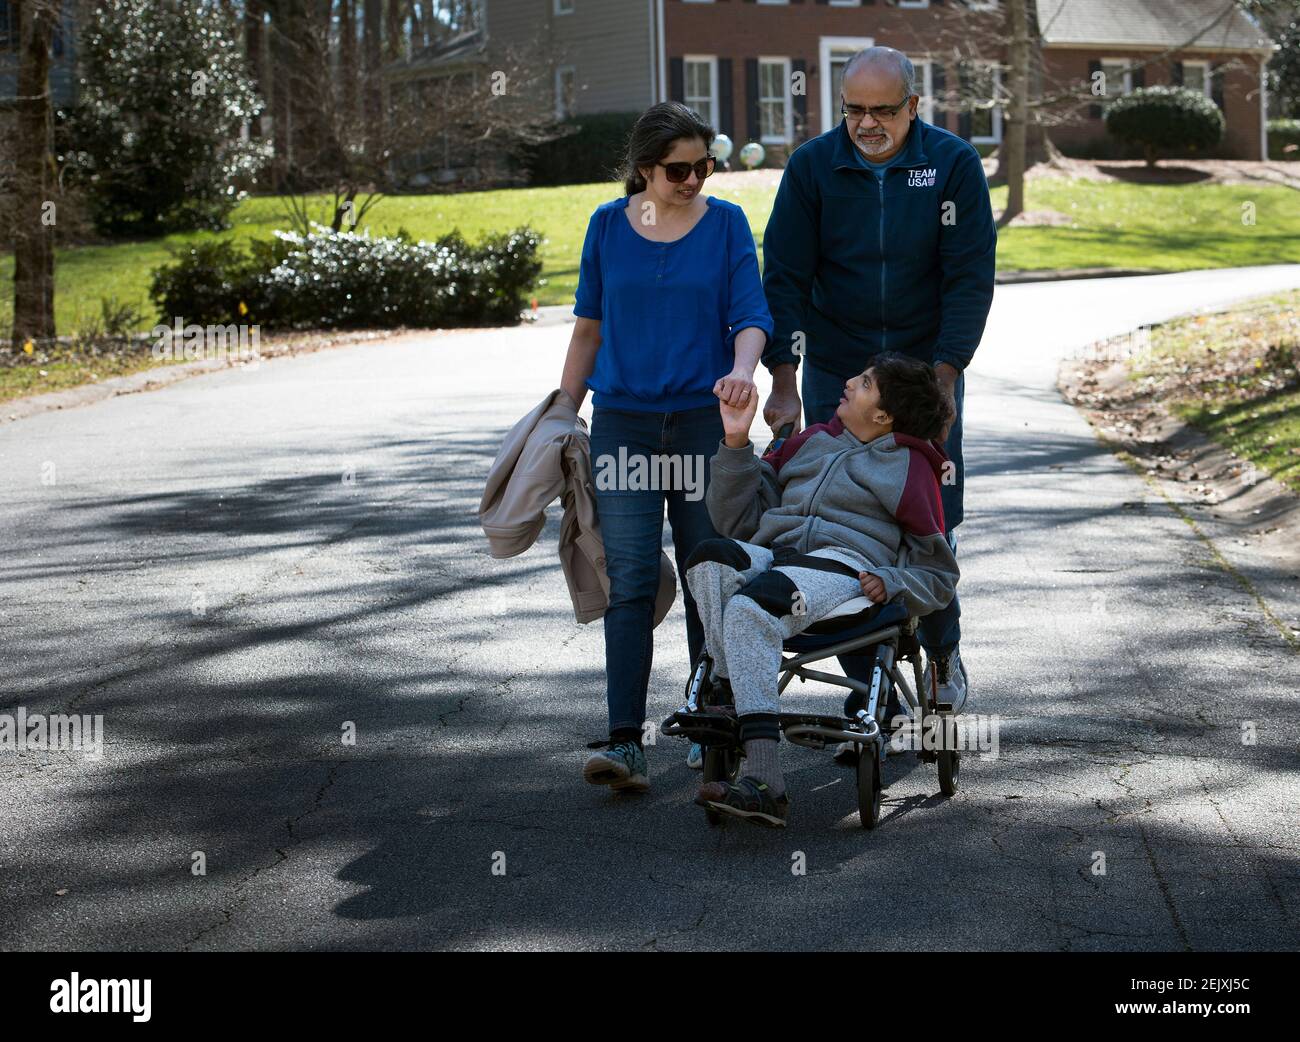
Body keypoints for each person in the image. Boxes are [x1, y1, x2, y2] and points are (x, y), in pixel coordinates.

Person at [760, 46, 995, 721]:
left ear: (913, 108)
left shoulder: (951, 164)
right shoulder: (813, 168)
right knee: (836, 527)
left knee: (930, 522)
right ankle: (874, 690)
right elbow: (785, 278)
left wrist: (946, 375)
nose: (867, 123)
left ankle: (944, 658)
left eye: (882, 111)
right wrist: (784, 376)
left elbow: (969, 275)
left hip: (925, 374)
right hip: (841, 371)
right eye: (854, 110)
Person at [559, 102, 774, 793]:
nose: (693, 180)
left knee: (707, 575)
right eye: (678, 169)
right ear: (644, 170)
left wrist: (743, 371)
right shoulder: (605, 228)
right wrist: (563, 410)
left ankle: (709, 726)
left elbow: (750, 316)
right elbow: (588, 330)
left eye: (704, 166)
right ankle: (626, 744)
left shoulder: (727, 224)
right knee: (628, 583)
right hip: (623, 424)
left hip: (702, 424)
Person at [685, 354, 959, 827]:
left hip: (845, 568)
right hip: (779, 555)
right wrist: (735, 441)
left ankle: (766, 782)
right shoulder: (812, 441)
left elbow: (939, 573)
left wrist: (895, 580)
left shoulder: (911, 469)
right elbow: (740, 522)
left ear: (884, 415)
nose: (849, 380)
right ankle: (729, 694)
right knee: (711, 557)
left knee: (756, 605)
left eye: (866, 382)